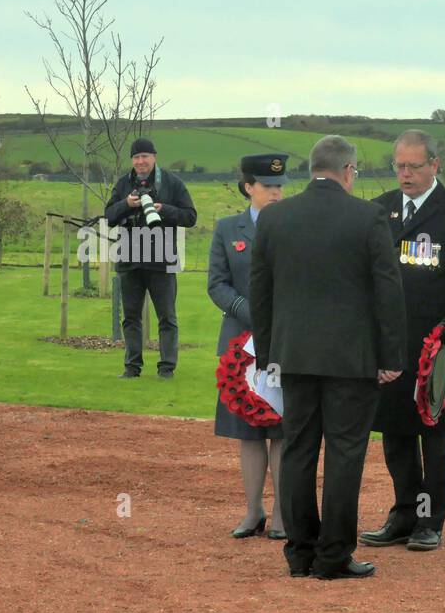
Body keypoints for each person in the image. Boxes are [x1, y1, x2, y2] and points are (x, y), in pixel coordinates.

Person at [248, 136, 406, 580]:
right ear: (349, 171)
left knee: (297, 449)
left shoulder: (275, 218)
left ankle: (299, 554)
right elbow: (387, 292)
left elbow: (260, 292)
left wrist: (267, 355)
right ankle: (333, 556)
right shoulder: (369, 216)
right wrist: (391, 354)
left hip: (292, 356)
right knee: (343, 452)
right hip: (350, 360)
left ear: (312, 168)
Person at [359, 131, 445, 553]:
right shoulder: (379, 211)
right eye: (400, 165)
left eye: (414, 165)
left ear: (435, 164)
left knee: (433, 434)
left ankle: (430, 519)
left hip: (435, 346)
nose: (406, 173)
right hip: (389, 344)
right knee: (394, 431)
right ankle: (404, 512)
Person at [207, 154, 290, 540]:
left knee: (283, 429)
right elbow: (217, 284)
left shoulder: (295, 226)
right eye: (268, 186)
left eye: (279, 185)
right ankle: (253, 509)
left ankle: (281, 514)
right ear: (248, 187)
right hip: (241, 343)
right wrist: (248, 311)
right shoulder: (227, 229)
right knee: (248, 431)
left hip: (285, 342)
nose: (276, 191)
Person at [104, 137, 197, 379]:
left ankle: (167, 368)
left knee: (167, 316)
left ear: (154, 157)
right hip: (129, 258)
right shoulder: (124, 184)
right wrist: (126, 204)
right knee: (130, 317)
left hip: (162, 259)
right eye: (136, 157)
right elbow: (109, 215)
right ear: (132, 161)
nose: (140, 161)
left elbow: (190, 217)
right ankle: (132, 367)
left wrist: (163, 209)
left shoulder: (171, 183)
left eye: (145, 156)